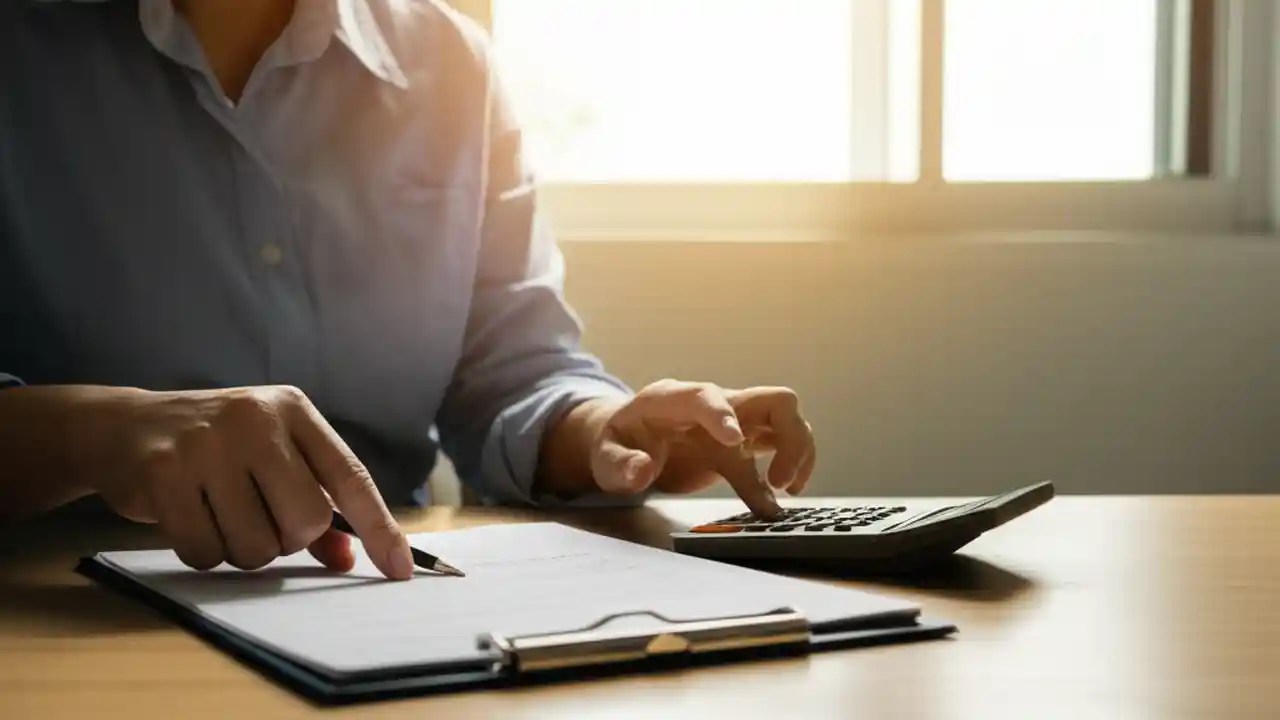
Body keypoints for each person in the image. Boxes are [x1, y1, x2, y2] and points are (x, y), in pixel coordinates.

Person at [0, 0, 815, 579]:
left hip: (383, 599)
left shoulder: (451, 64)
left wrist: (609, 432)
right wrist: (92, 434)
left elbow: (513, 373)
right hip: (63, 610)